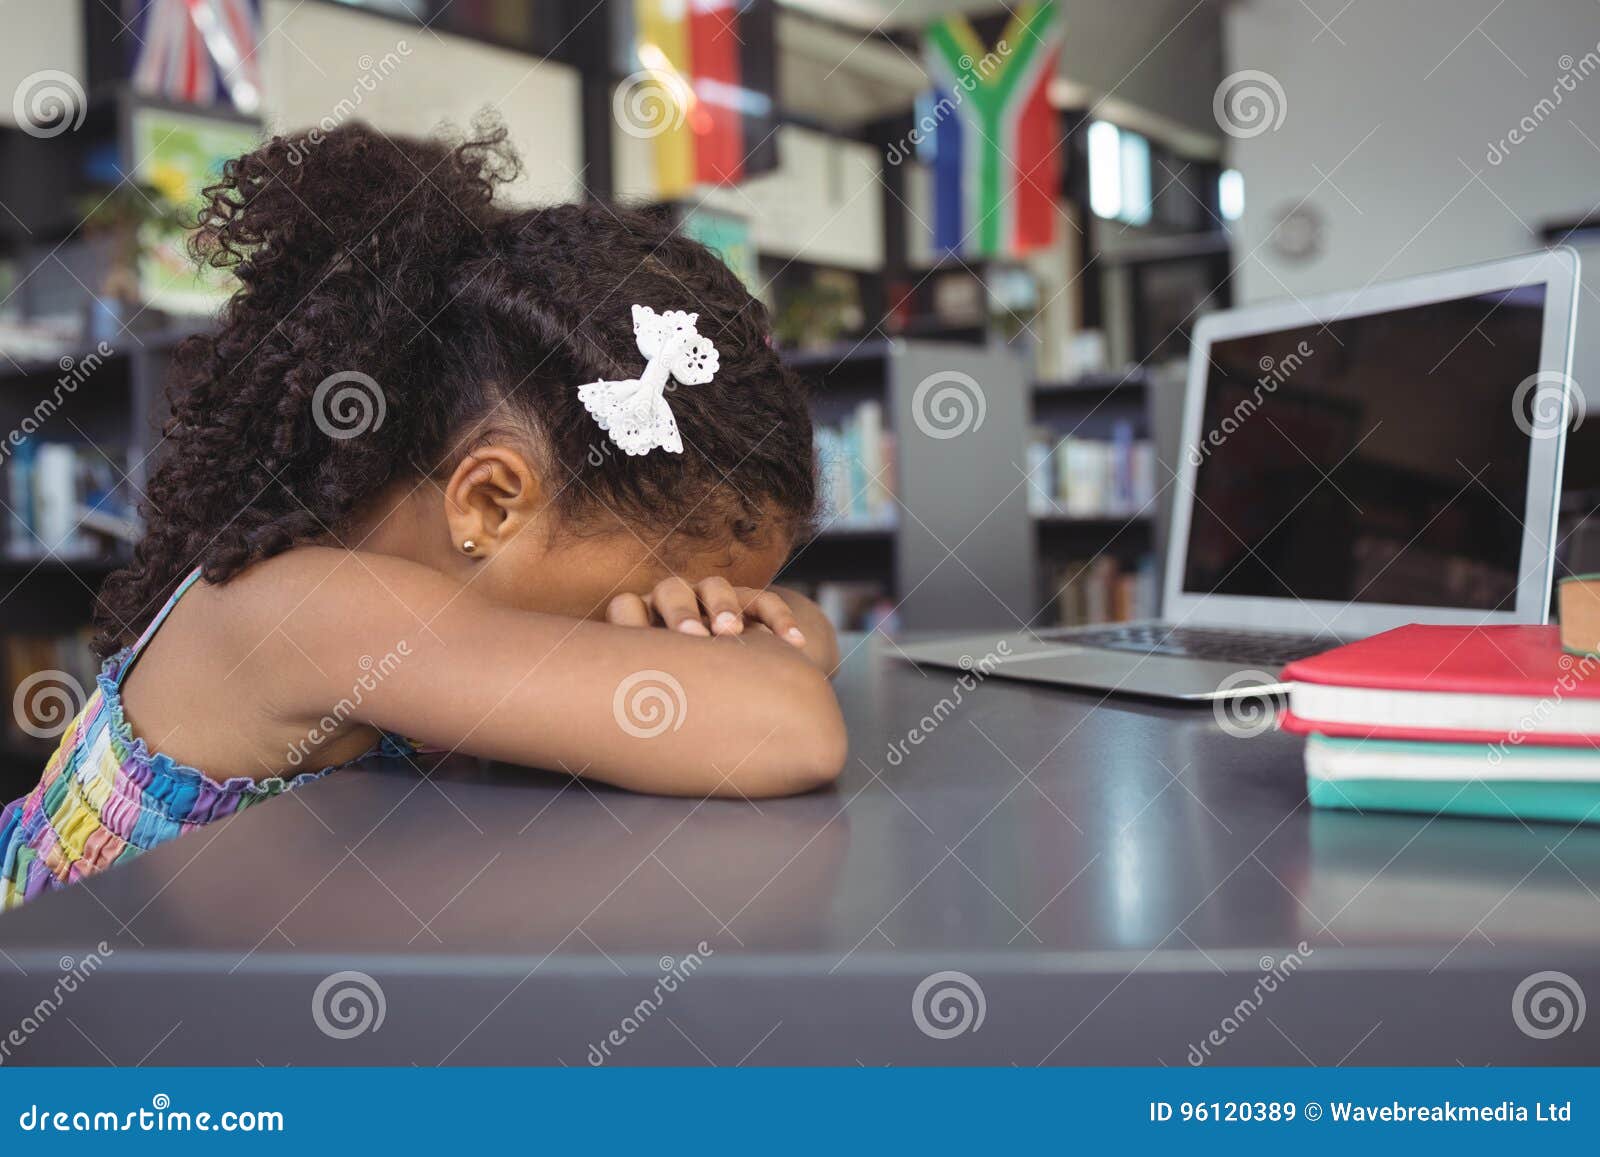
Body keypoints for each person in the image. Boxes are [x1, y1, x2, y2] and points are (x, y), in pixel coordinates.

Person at [0, 123, 845, 910]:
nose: (669, 626)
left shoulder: (396, 593)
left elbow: (795, 659)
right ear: (489, 500)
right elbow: (793, 726)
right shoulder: (318, 609)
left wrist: (758, 625)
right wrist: (759, 657)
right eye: (675, 594)